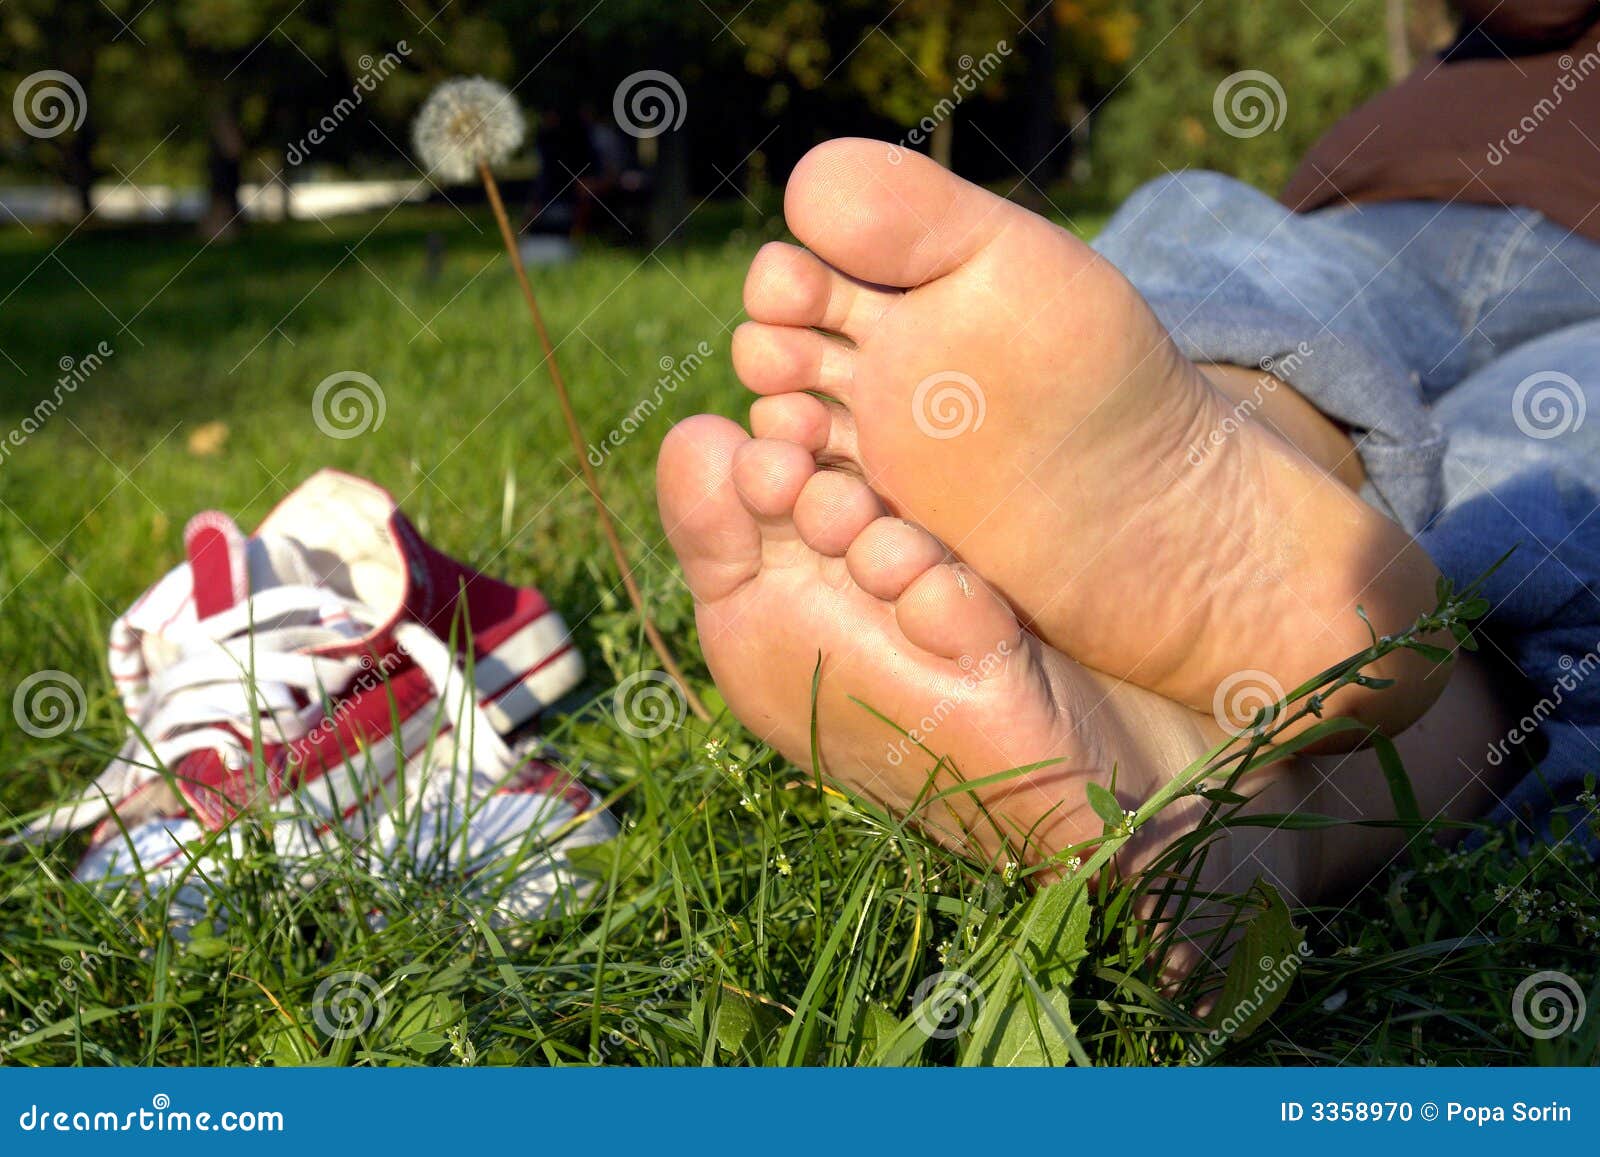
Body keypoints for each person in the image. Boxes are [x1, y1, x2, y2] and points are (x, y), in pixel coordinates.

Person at [655, 4, 1600, 937]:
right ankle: (1225, 749)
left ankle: (1214, 803)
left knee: (1279, 300)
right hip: (1387, 207)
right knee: (1230, 252)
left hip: (1402, 216)